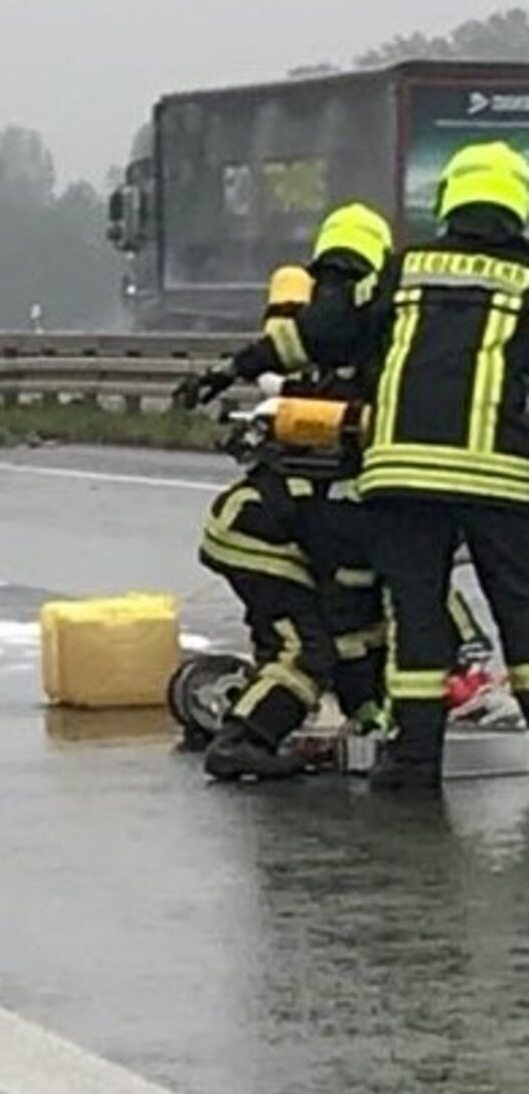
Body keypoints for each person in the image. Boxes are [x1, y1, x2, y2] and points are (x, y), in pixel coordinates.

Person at [197, 144, 529, 791]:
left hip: (401, 475)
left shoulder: (404, 270)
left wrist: (233, 366)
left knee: (418, 616)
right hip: (497, 477)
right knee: (521, 616)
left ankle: (412, 763)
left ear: (449, 202)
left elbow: (319, 329)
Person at [176, 203, 400, 780]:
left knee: (302, 636)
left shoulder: (312, 345)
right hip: (262, 536)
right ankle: (244, 739)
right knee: (307, 652)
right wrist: (372, 713)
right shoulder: (368, 374)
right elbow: (352, 616)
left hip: (251, 525)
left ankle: (249, 709)